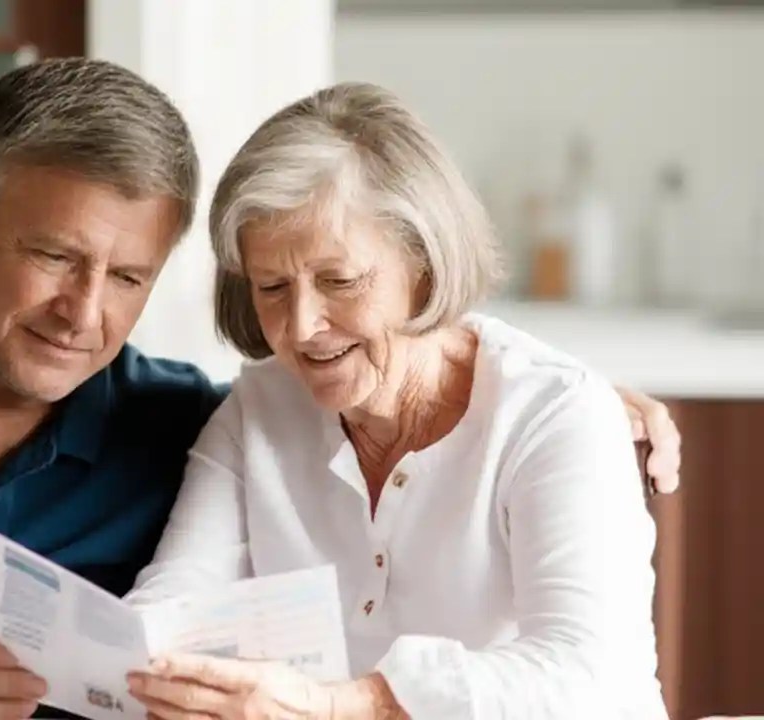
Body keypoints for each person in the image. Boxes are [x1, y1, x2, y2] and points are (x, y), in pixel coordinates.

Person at [0, 59, 680, 720]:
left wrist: (579, 406)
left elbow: (589, 675)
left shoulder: (181, 412)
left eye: (128, 277)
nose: (81, 313)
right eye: (51, 256)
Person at [124, 82, 669, 719]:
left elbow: (586, 676)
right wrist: (112, 666)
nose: (300, 327)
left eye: (339, 281)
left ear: (423, 263)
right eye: (272, 287)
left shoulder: (554, 414)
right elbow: (173, 605)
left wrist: (341, 707)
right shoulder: (259, 408)